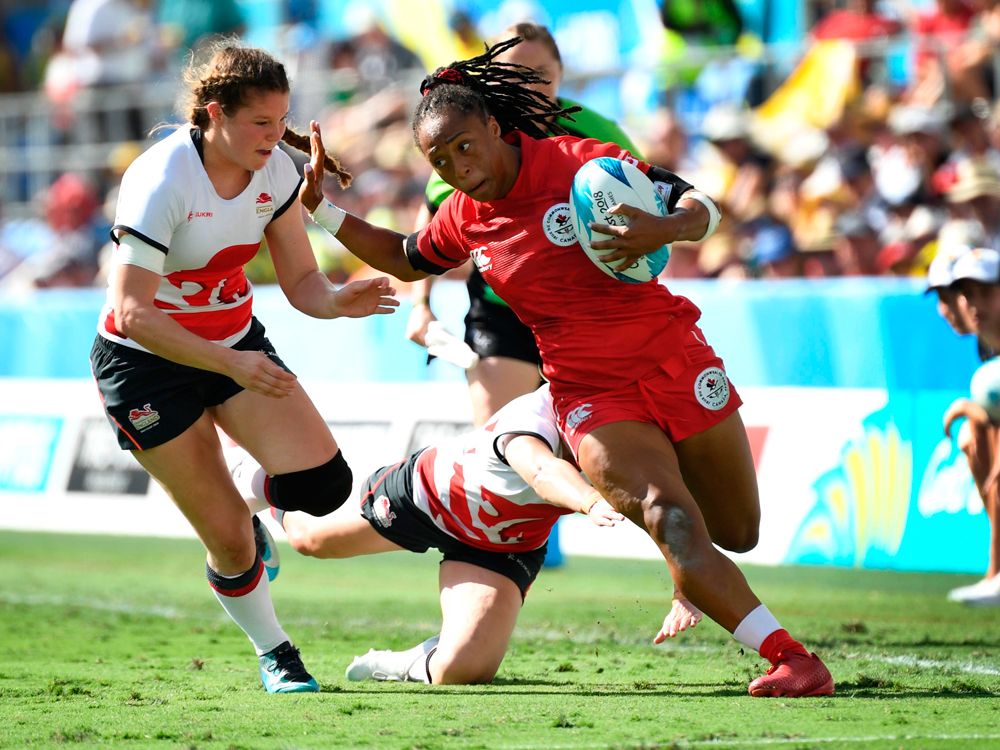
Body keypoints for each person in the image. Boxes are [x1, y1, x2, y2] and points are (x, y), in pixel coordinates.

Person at [301, 38, 834, 697]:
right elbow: (408, 255)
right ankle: (793, 659)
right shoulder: (467, 217)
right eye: (439, 160)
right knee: (670, 519)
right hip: (589, 393)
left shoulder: (582, 164)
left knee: (737, 532)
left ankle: (698, 572)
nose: (457, 168)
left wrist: (660, 230)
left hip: (673, 358)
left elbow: (700, 204)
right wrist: (320, 208)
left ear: (495, 128)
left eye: (464, 147)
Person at [88, 40, 398, 693]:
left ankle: (249, 485)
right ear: (212, 113)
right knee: (231, 542)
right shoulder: (159, 178)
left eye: (282, 120)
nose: (275, 136)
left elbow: (304, 282)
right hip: (142, 366)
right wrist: (232, 362)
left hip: (232, 343)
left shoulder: (277, 172)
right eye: (261, 123)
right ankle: (276, 654)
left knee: (325, 487)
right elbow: (133, 314)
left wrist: (339, 301)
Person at [234, 384, 635, 684]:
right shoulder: (536, 414)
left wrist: (682, 586)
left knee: (462, 669)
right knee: (309, 539)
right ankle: (251, 481)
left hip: (499, 545)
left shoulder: (628, 419)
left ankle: (393, 663)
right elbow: (544, 472)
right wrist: (590, 501)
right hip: (425, 499)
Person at [405, 22, 642, 429]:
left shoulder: (596, 131)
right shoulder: (473, 133)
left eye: (541, 76)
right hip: (503, 313)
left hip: (585, 314)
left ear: (561, 73)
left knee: (583, 451)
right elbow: (432, 214)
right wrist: (420, 305)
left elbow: (648, 198)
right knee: (500, 447)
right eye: (516, 74)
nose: (530, 87)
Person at [943, 247, 1000, 606]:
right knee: (974, 435)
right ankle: (995, 573)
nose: (974, 303)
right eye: (968, 294)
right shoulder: (987, 342)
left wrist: (971, 408)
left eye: (986, 291)